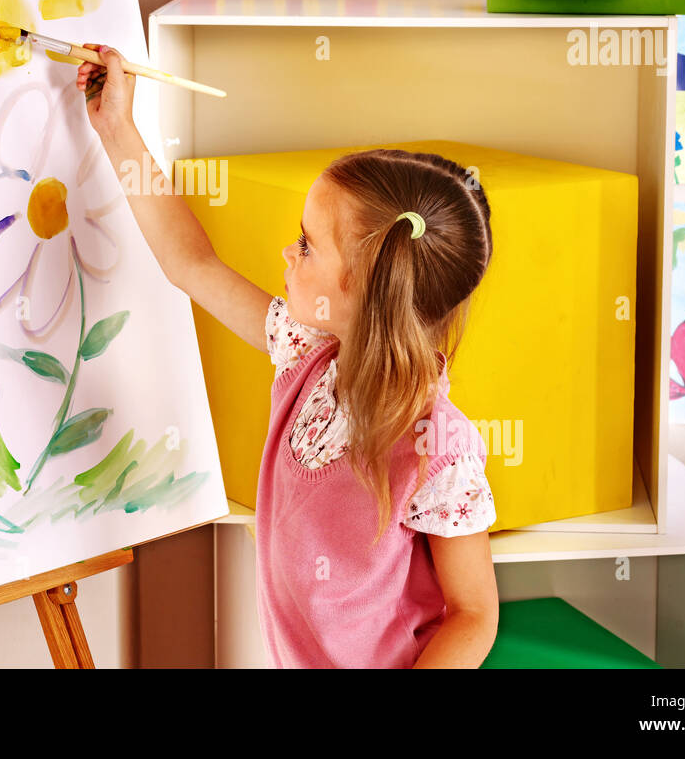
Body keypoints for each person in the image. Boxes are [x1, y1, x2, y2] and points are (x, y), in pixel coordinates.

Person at [75, 45, 499, 669]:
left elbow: (474, 614)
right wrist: (118, 130)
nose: (286, 252)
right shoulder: (307, 353)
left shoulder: (438, 447)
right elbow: (191, 264)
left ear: (366, 290)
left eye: (306, 245)